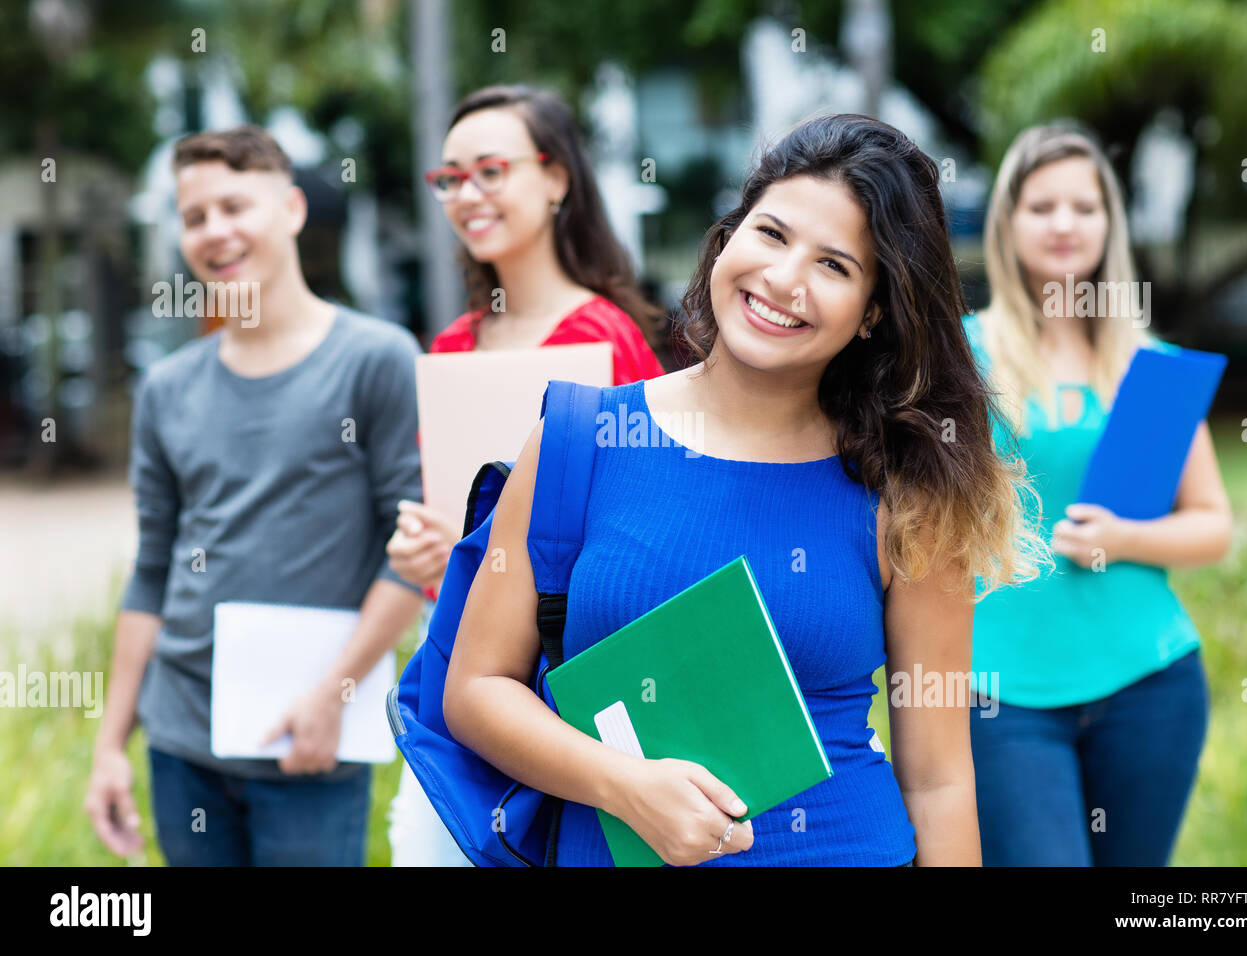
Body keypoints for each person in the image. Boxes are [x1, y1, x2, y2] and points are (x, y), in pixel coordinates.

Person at [441, 113, 1053, 866]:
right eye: (770, 234)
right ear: (728, 237)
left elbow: (937, 779)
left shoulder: (905, 488)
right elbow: (476, 689)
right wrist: (625, 786)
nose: (784, 280)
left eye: (834, 265)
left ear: (872, 314)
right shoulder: (580, 439)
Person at [84, 125, 427, 866]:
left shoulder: (377, 361)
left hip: (310, 740)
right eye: (195, 216)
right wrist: (112, 745)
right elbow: (152, 570)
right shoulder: (168, 388)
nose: (215, 232)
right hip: (182, 739)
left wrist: (334, 694)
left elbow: (412, 555)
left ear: (294, 209)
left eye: (235, 206)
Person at [384, 85, 665, 866]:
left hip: (578, 673)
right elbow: (451, 522)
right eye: (450, 179)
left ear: (556, 179)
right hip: (462, 669)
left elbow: (646, 526)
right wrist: (423, 555)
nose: (467, 195)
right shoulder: (451, 345)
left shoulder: (611, 340)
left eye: (490, 170)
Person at [963, 123, 1233, 866]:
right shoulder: (962, 358)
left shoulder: (1149, 367)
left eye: (1084, 207)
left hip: (1151, 683)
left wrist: (1126, 539)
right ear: (1008, 222)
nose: (1063, 225)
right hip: (1003, 692)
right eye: (1041, 206)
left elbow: (1212, 525)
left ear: (1110, 224)